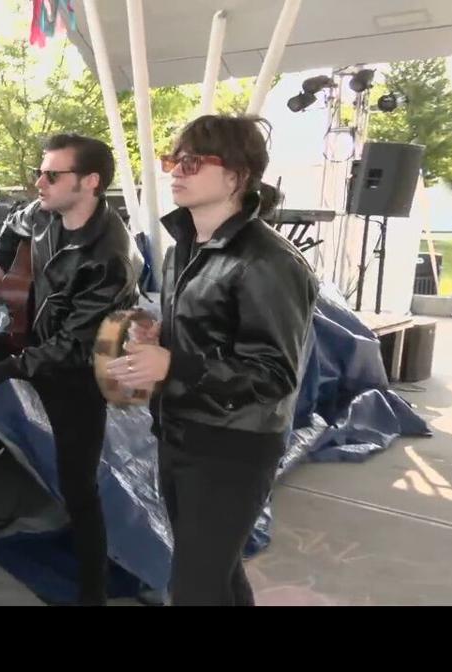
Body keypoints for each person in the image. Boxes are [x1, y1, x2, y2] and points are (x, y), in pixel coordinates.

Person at [106, 114, 318, 606]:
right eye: (173, 160)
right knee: (215, 576)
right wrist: (164, 336)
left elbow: (273, 375)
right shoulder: (186, 247)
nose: (176, 171)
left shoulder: (269, 261)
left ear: (237, 176)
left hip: (233, 446)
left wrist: (173, 364)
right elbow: (215, 335)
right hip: (180, 431)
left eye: (193, 161)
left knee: (195, 587)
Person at [0, 133, 139, 606]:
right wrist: (1, 266)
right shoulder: (43, 212)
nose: (38, 182)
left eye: (51, 174)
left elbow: (72, 346)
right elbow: (11, 227)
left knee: (79, 486)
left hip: (77, 370)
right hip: (32, 339)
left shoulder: (110, 257)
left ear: (90, 182)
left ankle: (92, 595)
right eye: (41, 172)